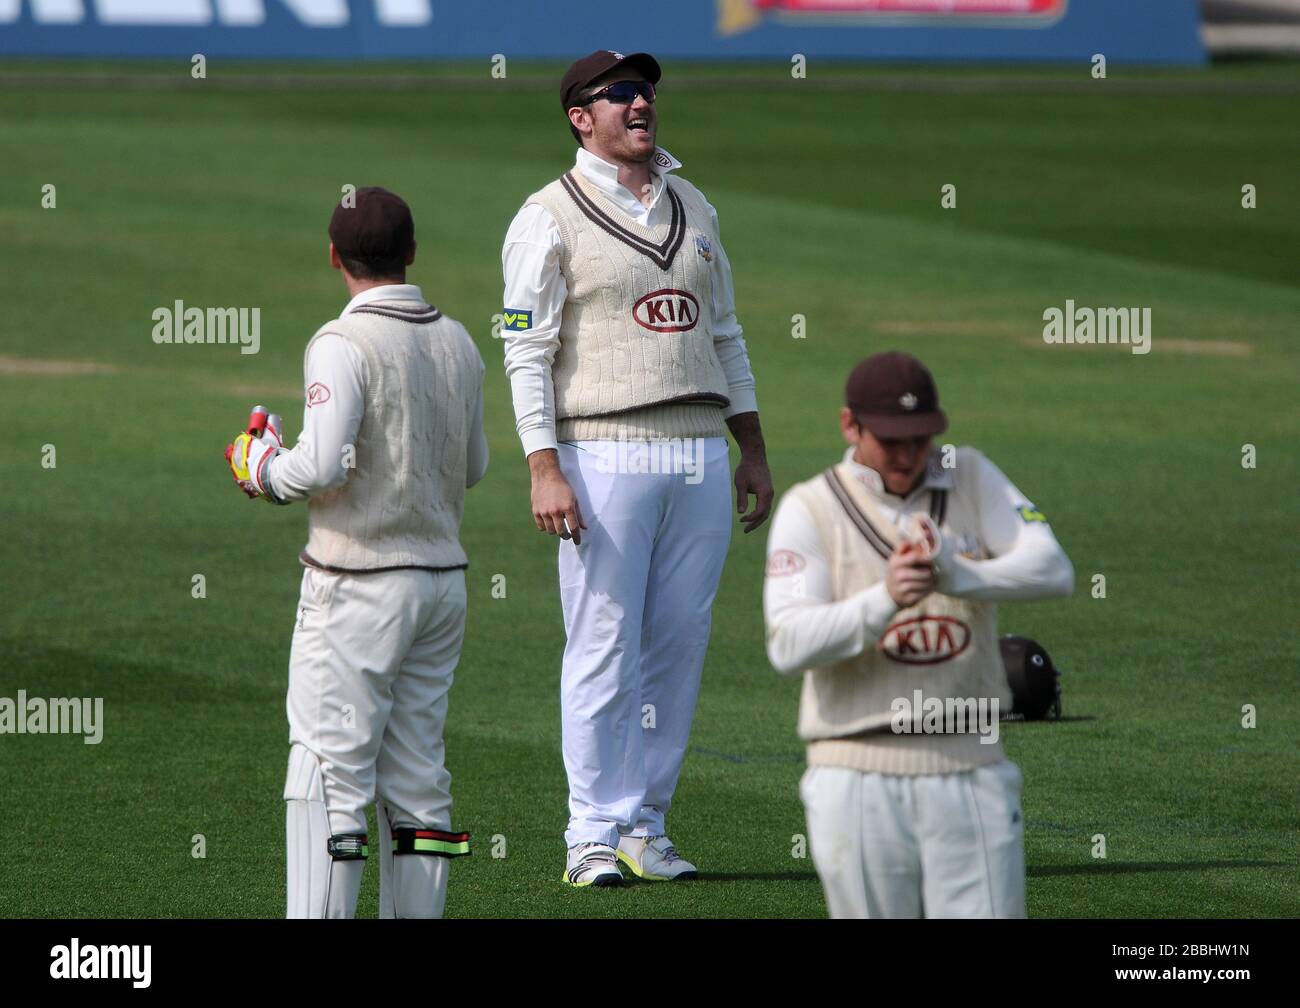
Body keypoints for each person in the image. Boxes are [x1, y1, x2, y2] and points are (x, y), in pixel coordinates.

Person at [500, 51, 773, 887]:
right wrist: (544, 467)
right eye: (619, 92)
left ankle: (644, 826)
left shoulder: (696, 204)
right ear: (581, 116)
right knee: (603, 645)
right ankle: (589, 832)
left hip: (696, 448)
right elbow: (525, 350)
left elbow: (724, 334)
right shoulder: (546, 216)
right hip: (602, 450)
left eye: (646, 88)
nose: (640, 101)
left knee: (677, 647)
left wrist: (751, 446)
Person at [225, 186, 488, 917]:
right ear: (411, 252)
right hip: (441, 585)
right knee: (419, 782)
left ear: (334, 257)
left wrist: (261, 466)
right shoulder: (459, 341)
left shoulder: (340, 342)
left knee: (326, 775)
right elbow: (473, 466)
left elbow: (320, 468)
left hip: (357, 585)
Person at [762, 351, 1074, 918]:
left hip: (971, 765)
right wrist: (884, 599)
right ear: (849, 426)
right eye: (892, 440)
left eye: (921, 439)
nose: (909, 456)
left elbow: (1054, 570)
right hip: (854, 771)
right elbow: (788, 644)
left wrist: (962, 575)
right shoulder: (811, 506)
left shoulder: (970, 474)